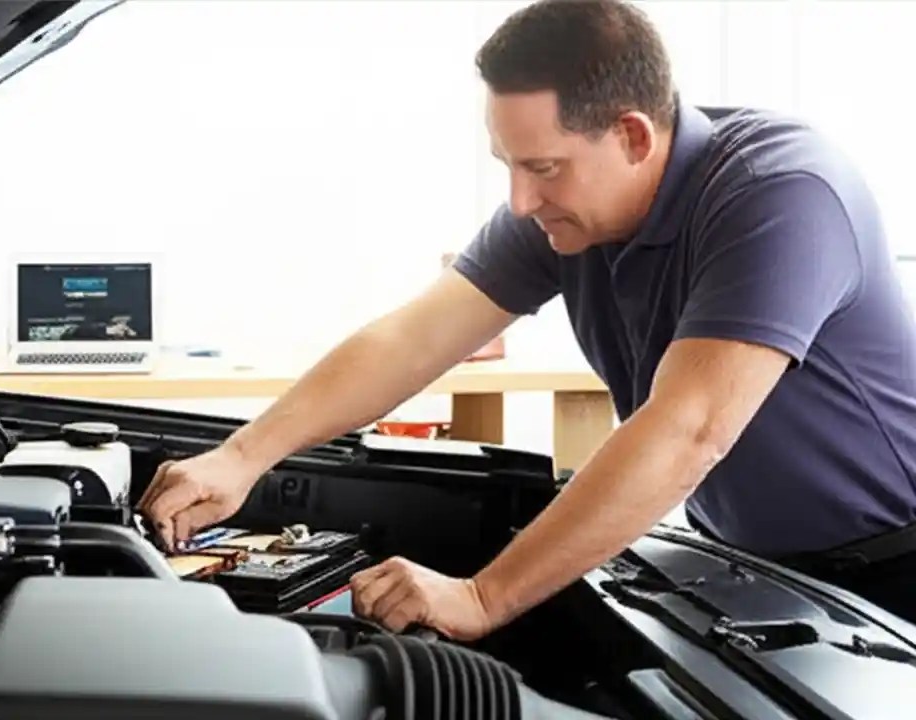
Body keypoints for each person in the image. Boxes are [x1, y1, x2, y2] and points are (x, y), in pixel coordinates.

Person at [138, 0, 916, 636]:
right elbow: (413, 338)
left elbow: (690, 428)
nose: (520, 201)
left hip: (894, 570)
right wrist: (242, 457)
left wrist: (483, 597)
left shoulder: (781, 192)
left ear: (634, 136)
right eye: (507, 166)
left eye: (542, 168)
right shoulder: (565, 212)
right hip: (753, 566)